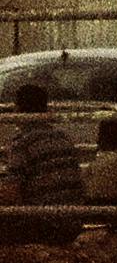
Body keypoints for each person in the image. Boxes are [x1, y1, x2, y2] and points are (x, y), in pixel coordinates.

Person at [7, 84, 88, 213]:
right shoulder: (62, 137)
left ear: (18, 109)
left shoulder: (22, 143)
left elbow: (12, 190)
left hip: (43, 218)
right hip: (75, 215)